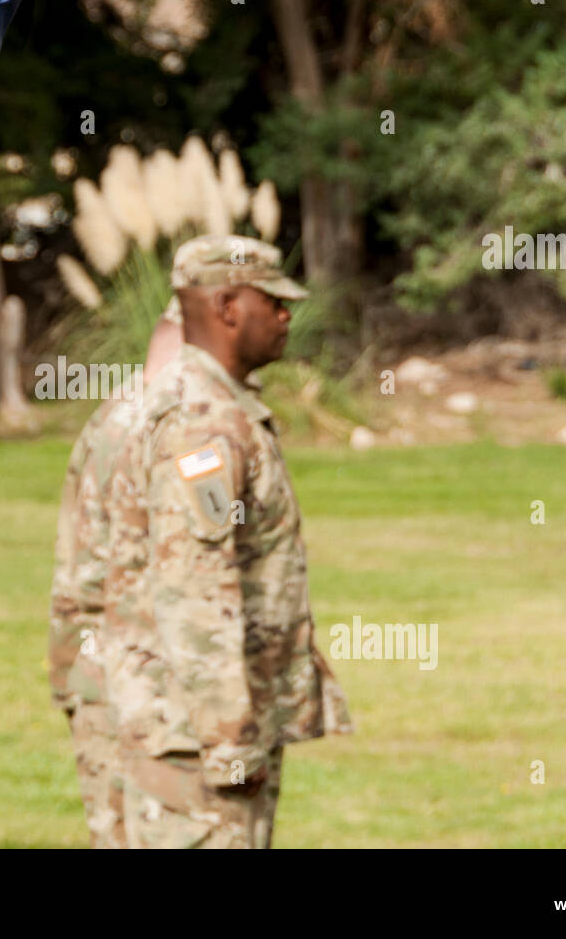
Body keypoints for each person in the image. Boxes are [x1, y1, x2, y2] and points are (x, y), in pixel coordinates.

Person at [102, 233, 351, 849]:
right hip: (195, 740)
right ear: (229, 306)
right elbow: (193, 588)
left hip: (200, 730)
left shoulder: (217, 406)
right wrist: (229, 740)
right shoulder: (202, 422)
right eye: (275, 301)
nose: (288, 315)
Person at [48, 307, 183, 848]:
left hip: (97, 676)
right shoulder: (170, 425)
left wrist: (66, 680)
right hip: (148, 689)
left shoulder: (114, 413)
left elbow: (75, 563)